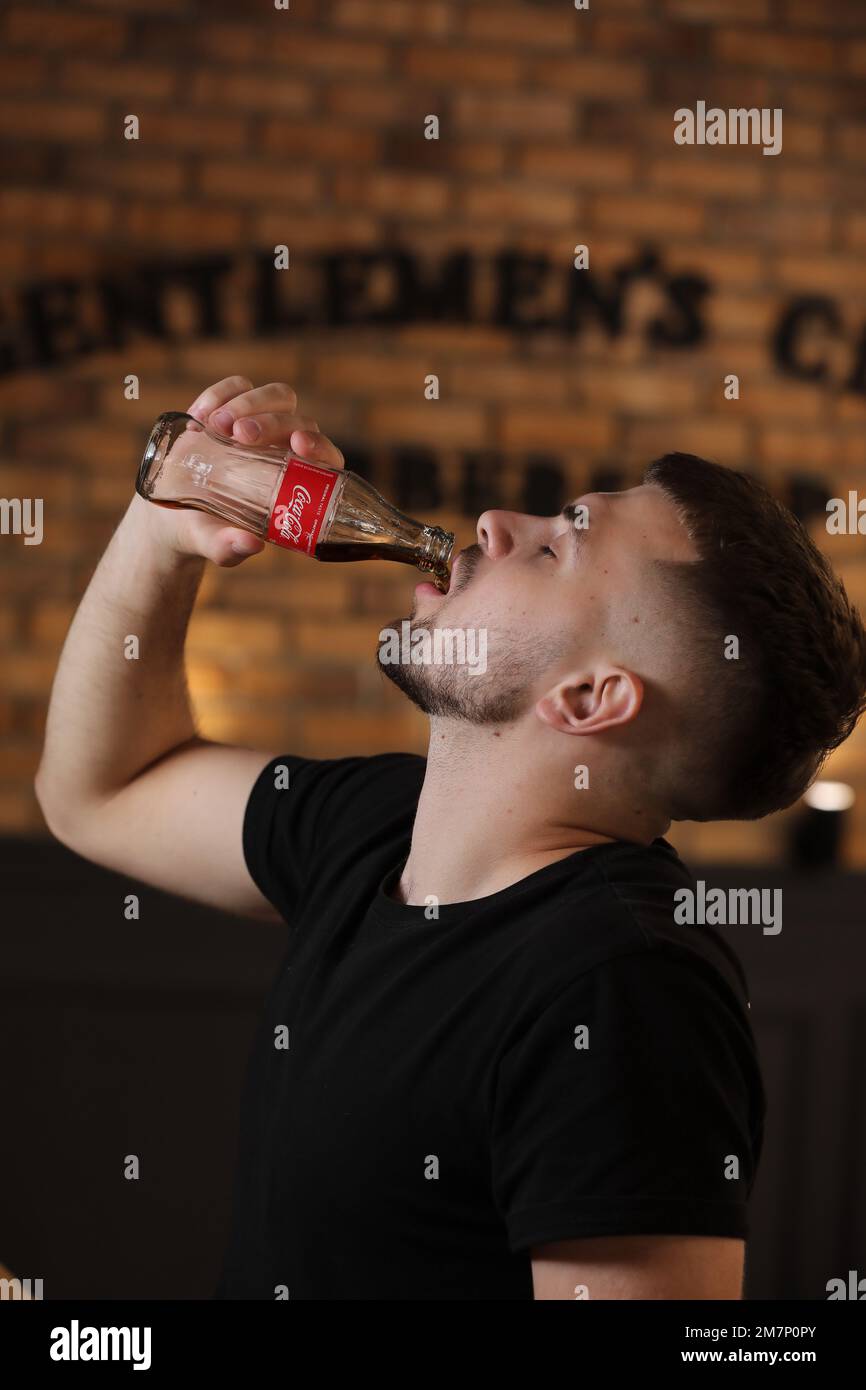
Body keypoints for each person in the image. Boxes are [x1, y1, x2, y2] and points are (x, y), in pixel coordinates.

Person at [35, 376, 866, 1300]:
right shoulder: (380, 827)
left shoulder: (626, 992)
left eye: (557, 547)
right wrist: (169, 525)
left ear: (589, 699)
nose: (496, 522)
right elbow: (100, 791)